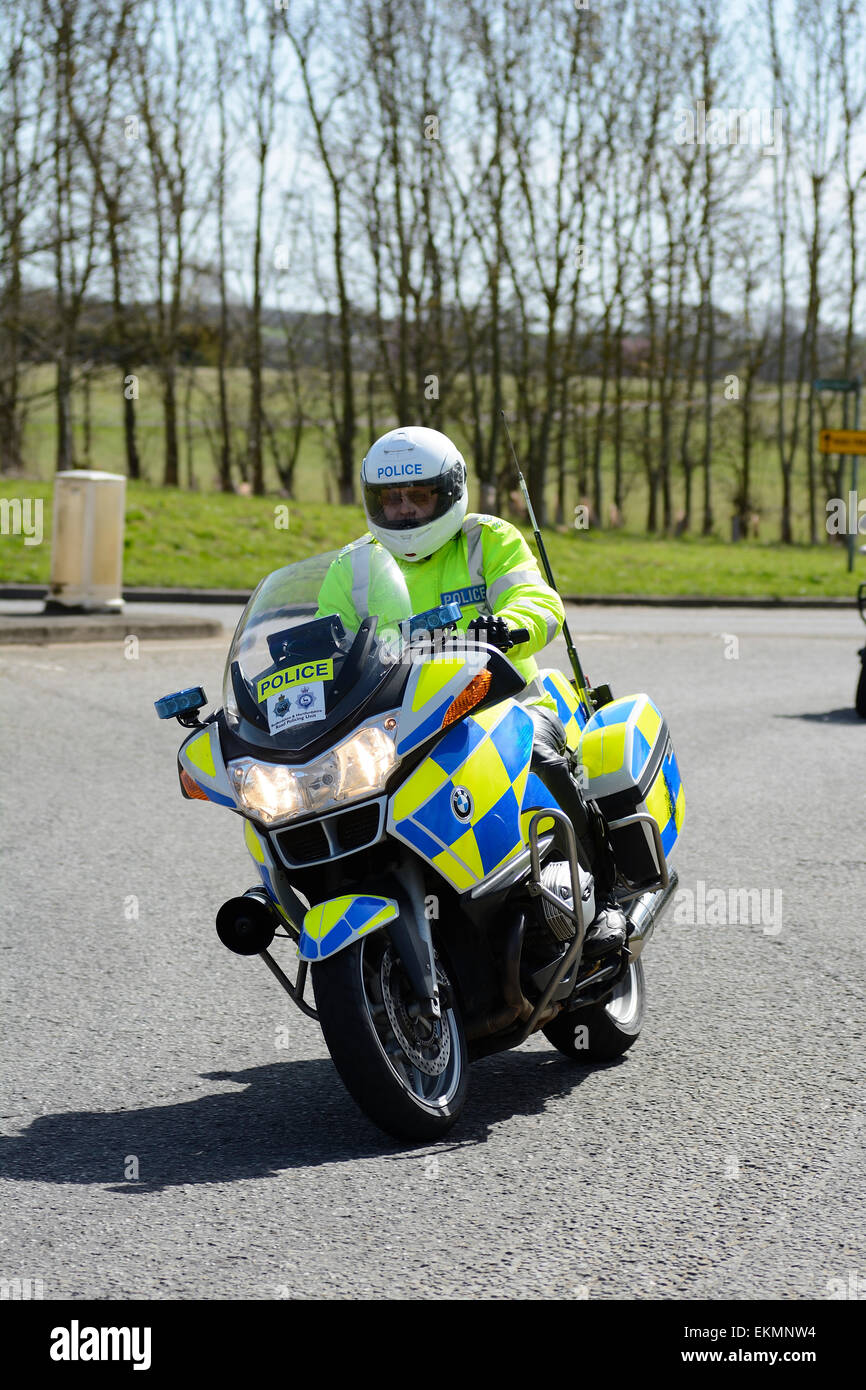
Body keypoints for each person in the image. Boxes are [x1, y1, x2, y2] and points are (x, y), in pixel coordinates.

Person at [317, 425, 626, 957]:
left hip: (503, 697)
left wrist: (507, 625)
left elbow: (537, 599)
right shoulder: (352, 568)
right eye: (392, 499)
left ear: (451, 492)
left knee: (542, 754)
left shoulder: (487, 539)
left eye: (420, 496)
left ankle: (604, 901)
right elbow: (325, 644)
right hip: (402, 721)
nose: (407, 511)